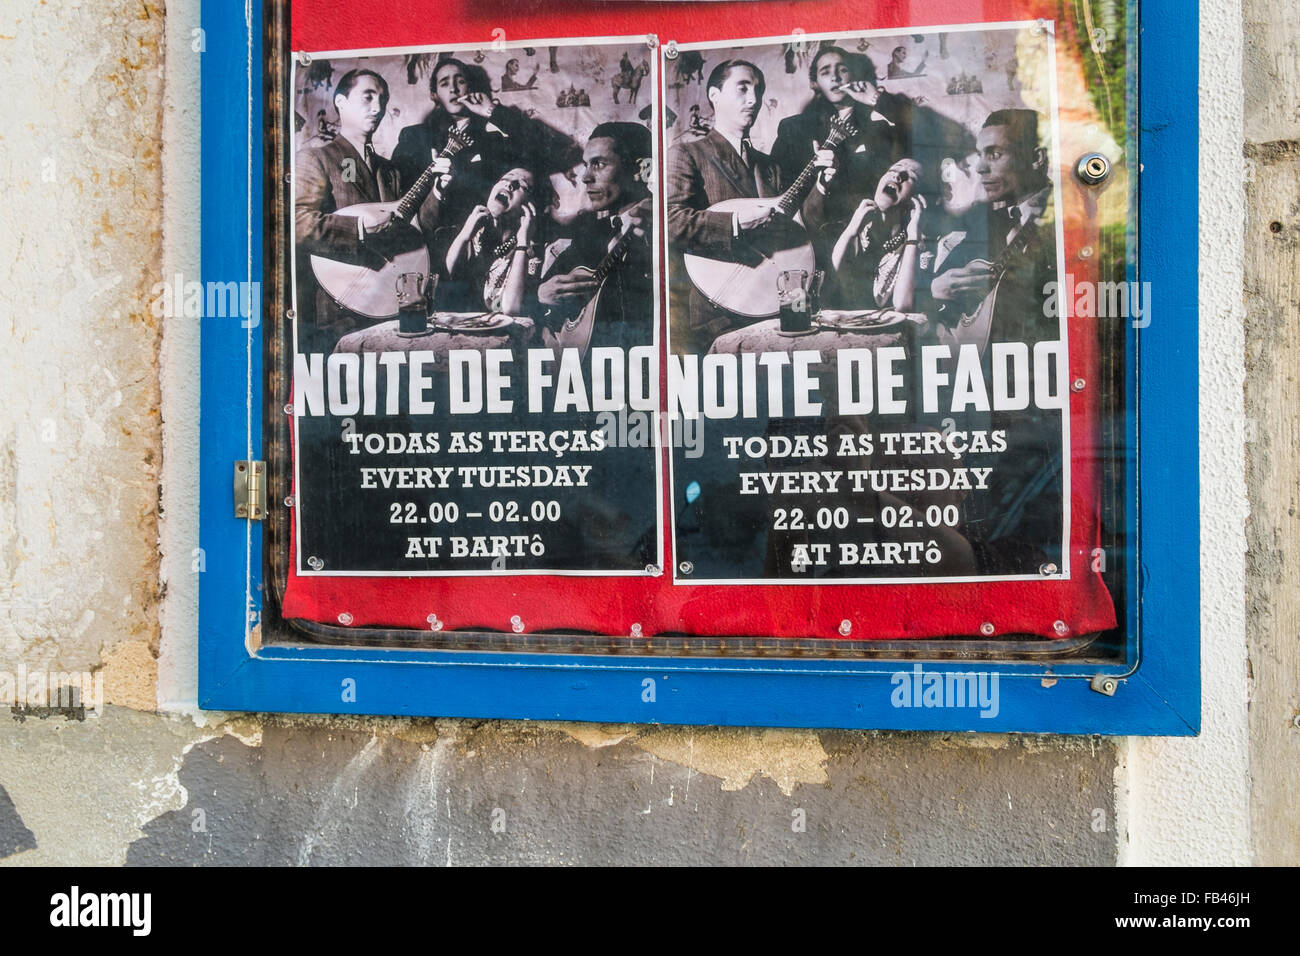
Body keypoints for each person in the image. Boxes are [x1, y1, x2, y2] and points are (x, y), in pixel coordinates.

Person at [927, 108, 1061, 574]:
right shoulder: (979, 220)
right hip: (977, 403)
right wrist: (938, 288)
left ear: (1037, 158)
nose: (982, 168)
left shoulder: (1062, 219)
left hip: (1037, 409)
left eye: (996, 154)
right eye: (979, 156)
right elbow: (938, 291)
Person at [666, 59, 834, 353]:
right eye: (742, 88)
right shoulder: (687, 154)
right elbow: (669, 221)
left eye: (758, 90)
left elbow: (797, 228)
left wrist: (821, 185)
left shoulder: (769, 165)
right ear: (714, 95)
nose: (753, 100)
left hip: (773, 304)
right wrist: (733, 225)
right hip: (718, 313)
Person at [294, 69, 404, 349]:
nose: (378, 108)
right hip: (339, 313)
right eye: (367, 97)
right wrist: (357, 228)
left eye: (382, 99)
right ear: (341, 103)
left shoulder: (390, 170)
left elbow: (410, 231)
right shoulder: (315, 158)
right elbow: (297, 224)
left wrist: (437, 190)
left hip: (390, 305)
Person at [770, 46, 912, 245]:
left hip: (862, 239)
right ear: (815, 83)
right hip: (806, 239)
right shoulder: (793, 128)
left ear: (852, 76)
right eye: (825, 72)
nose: (835, 77)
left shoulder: (880, 128)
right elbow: (775, 190)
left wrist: (875, 99)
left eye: (842, 70)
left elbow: (921, 135)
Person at [536, 122, 653, 356]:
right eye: (586, 165)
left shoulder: (668, 223)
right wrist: (543, 295)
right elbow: (549, 288)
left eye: (599, 164)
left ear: (640, 169)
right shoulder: (591, 229)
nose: (586, 177)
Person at [390, 58, 541, 238]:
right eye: (445, 83)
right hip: (421, 239)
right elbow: (395, 194)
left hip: (473, 239)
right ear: (434, 94)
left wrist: (491, 110)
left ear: (470, 88)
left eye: (460, 81)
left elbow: (539, 148)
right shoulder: (414, 136)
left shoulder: (493, 140)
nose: (454, 89)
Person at [440, 165, 552, 316]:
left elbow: (511, 309)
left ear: (530, 207)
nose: (509, 184)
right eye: (505, 179)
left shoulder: (530, 251)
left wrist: (522, 243)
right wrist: (465, 234)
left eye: (522, 185)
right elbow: (446, 281)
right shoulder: (471, 234)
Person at [830, 159, 928, 311]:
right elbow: (833, 277)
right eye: (892, 170)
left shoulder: (917, 246)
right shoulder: (855, 231)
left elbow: (902, 305)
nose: (897, 176)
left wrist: (913, 234)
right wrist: (851, 229)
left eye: (910, 176)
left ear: (916, 200)